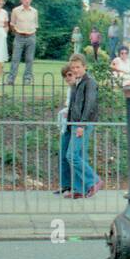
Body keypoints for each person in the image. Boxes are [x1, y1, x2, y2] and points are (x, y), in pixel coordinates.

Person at [66, 55, 101, 199]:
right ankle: (80, 189)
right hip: (76, 123)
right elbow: (73, 105)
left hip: (82, 123)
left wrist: (82, 124)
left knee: (71, 155)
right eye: (73, 67)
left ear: (84, 67)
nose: (75, 70)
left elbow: (90, 104)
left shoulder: (90, 82)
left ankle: (94, 181)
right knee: (79, 155)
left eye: (78, 67)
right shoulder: (78, 82)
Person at [5, 0, 38, 85]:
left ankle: (27, 79)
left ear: (31, 0)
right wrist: (16, 32)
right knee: (15, 59)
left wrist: (32, 33)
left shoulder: (34, 11)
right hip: (19, 36)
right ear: (21, 0)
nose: (27, 0)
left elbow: (35, 24)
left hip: (31, 36)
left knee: (29, 59)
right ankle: (11, 79)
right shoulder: (16, 10)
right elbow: (12, 24)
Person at [54, 63, 76, 196]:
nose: (67, 78)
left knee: (73, 156)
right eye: (65, 76)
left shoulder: (79, 88)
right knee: (63, 155)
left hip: (75, 124)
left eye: (69, 75)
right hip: (67, 124)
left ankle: (78, 186)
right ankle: (65, 185)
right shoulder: (70, 89)